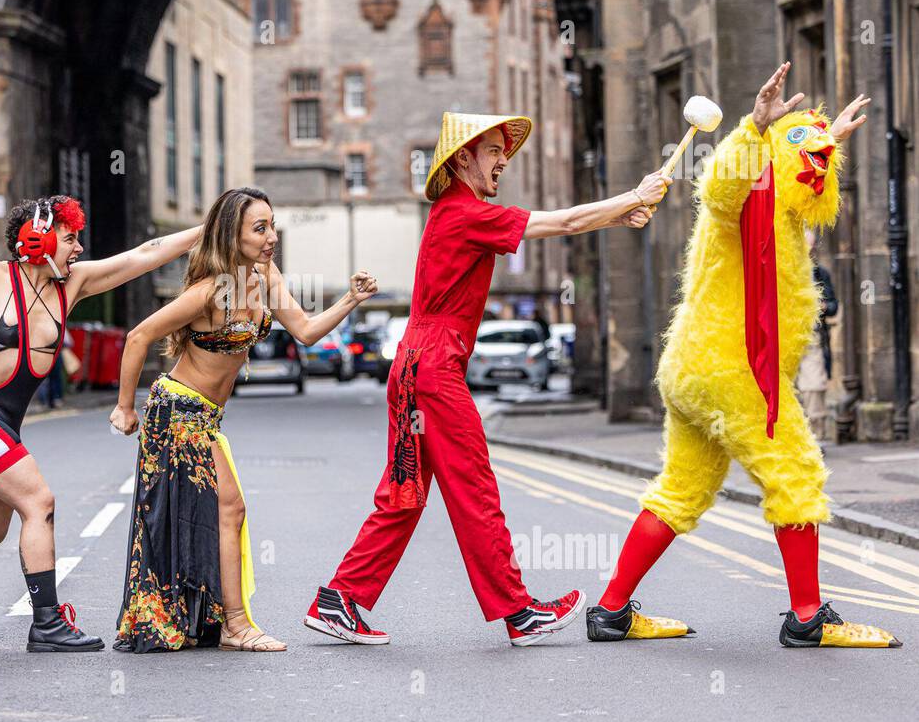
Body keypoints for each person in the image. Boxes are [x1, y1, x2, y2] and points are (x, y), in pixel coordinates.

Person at [306, 112, 668, 648]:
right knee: (474, 486)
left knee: (404, 492)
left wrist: (619, 216)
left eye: (504, 150)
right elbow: (561, 224)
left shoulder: (458, 215)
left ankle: (340, 599)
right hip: (433, 370)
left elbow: (559, 223)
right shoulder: (466, 214)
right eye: (494, 150)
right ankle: (519, 612)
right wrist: (627, 200)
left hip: (412, 366)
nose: (504, 160)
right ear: (462, 159)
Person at [587, 69, 899, 648]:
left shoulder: (776, 210)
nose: (819, 172)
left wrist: (829, 139)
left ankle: (609, 612)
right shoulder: (745, 202)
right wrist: (754, 125)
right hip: (732, 371)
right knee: (797, 473)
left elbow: (797, 168)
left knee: (680, 489)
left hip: (693, 371)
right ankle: (807, 617)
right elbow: (720, 187)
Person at [0, 187, 202, 653]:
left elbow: (143, 255)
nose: (79, 248)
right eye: (70, 238)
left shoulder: (73, 284)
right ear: (40, 240)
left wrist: (210, 227)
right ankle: (47, 621)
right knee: (39, 502)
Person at [111, 186, 378, 653]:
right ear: (232, 234)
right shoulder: (210, 289)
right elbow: (138, 336)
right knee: (229, 508)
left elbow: (307, 331)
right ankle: (235, 625)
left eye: (272, 225)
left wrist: (350, 300)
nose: (271, 236)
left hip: (207, 416)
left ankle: (217, 621)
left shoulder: (264, 276)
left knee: (208, 514)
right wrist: (124, 406)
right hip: (177, 411)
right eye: (260, 228)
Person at [796, 230, 837, 442]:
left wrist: (821, 306)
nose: (807, 251)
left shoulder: (820, 274)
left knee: (814, 387)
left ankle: (814, 439)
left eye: (810, 247)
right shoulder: (779, 270)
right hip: (783, 337)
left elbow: (833, 306)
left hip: (811, 335)